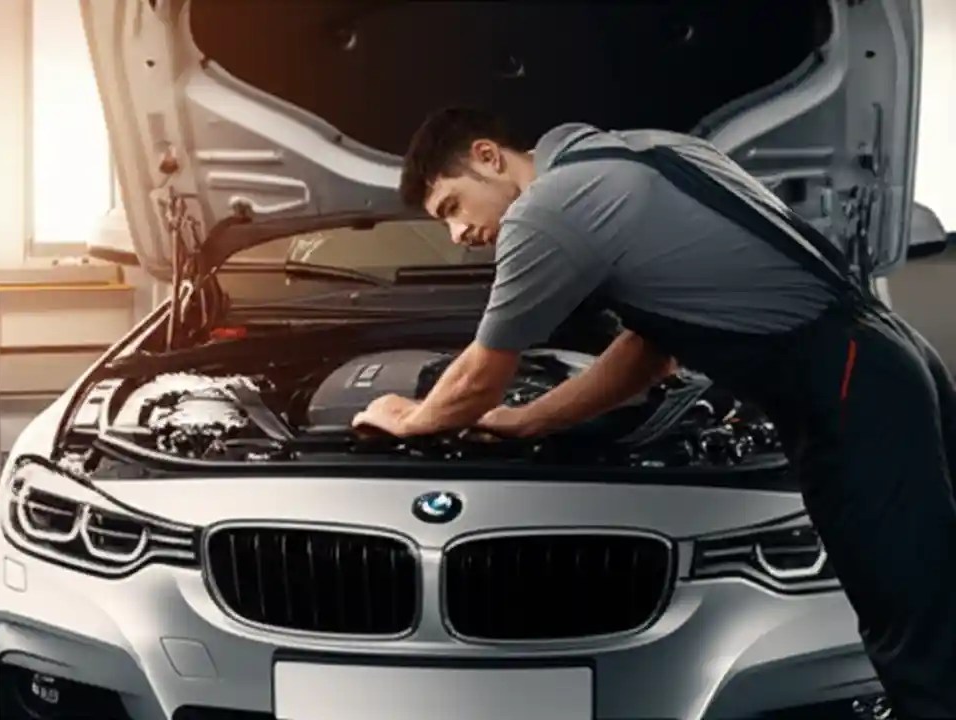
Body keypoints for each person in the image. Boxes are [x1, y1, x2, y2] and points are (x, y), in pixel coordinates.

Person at [351, 107, 956, 717]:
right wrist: (530, 420)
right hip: (890, 357)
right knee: (935, 593)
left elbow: (480, 378)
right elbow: (649, 355)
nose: (456, 235)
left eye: (452, 207)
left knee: (909, 620)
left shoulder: (547, 209)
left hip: (849, 381)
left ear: (488, 156)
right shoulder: (651, 150)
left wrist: (411, 416)